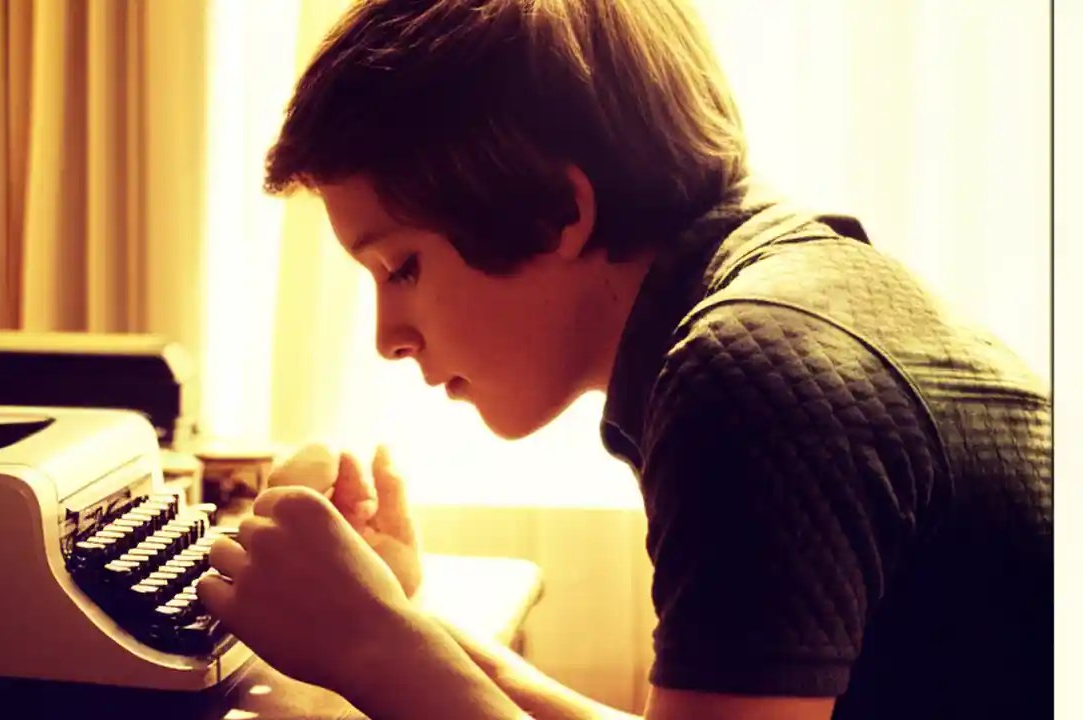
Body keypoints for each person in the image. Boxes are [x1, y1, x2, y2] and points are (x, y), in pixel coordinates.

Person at [195, 1, 1053, 718]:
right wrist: (404, 622)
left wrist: (372, 645)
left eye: (401, 268)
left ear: (554, 210)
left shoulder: (751, 379)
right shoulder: (789, 309)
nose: (388, 338)